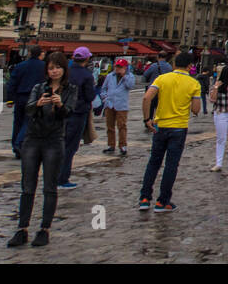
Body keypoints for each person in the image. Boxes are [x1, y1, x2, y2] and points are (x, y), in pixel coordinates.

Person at [8, 51, 76, 248]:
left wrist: (60, 104)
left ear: (64, 69)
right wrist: (38, 104)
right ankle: (22, 229)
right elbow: (28, 110)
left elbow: (67, 114)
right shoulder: (39, 87)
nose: (54, 71)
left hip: (54, 140)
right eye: (51, 68)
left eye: (57, 67)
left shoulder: (70, 89)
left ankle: (44, 229)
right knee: (27, 186)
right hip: (33, 139)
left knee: (49, 187)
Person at [137, 51, 202, 212]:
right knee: (171, 166)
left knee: (153, 162)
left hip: (160, 127)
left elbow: (146, 98)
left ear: (174, 65)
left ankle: (144, 198)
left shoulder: (162, 78)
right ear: (190, 66)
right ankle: (162, 201)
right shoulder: (194, 84)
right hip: (179, 128)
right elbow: (195, 110)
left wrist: (147, 119)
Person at [55, 47, 96, 189]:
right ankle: (62, 179)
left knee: (60, 143)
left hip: (61, 110)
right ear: (87, 59)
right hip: (78, 112)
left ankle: (54, 175)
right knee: (70, 146)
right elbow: (90, 96)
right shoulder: (86, 75)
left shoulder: (65, 72)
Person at [6, 44, 45, 156]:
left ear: (29, 53)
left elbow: (12, 83)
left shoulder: (20, 65)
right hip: (35, 98)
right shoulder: (44, 66)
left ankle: (15, 146)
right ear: (40, 54)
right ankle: (19, 144)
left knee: (17, 122)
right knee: (28, 121)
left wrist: (10, 100)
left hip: (20, 97)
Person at [99, 58, 135, 155]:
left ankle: (123, 146)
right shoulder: (110, 76)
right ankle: (111, 145)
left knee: (122, 126)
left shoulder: (129, 76)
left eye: (120, 67)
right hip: (110, 104)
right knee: (110, 126)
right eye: (117, 66)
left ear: (125, 67)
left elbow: (130, 86)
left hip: (121, 105)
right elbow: (103, 89)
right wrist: (105, 98)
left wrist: (124, 76)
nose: (118, 69)